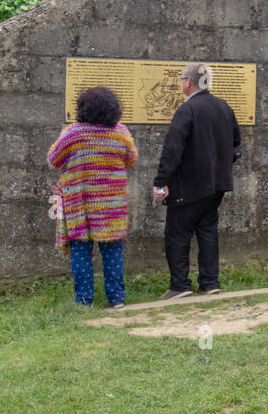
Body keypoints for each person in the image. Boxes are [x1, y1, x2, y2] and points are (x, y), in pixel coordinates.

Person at [152, 63, 241, 299]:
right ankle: (210, 282)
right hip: (217, 185)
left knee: (177, 233)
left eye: (182, 80)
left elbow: (172, 150)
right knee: (208, 230)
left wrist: (161, 182)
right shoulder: (224, 107)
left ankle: (179, 285)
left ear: (188, 83)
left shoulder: (187, 110)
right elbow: (236, 144)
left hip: (189, 185)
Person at [47, 86, 138, 308]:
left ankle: (84, 300)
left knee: (80, 250)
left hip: (79, 203)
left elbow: (53, 160)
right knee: (112, 249)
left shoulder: (73, 133)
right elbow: (131, 158)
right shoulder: (121, 132)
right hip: (111, 203)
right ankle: (117, 299)